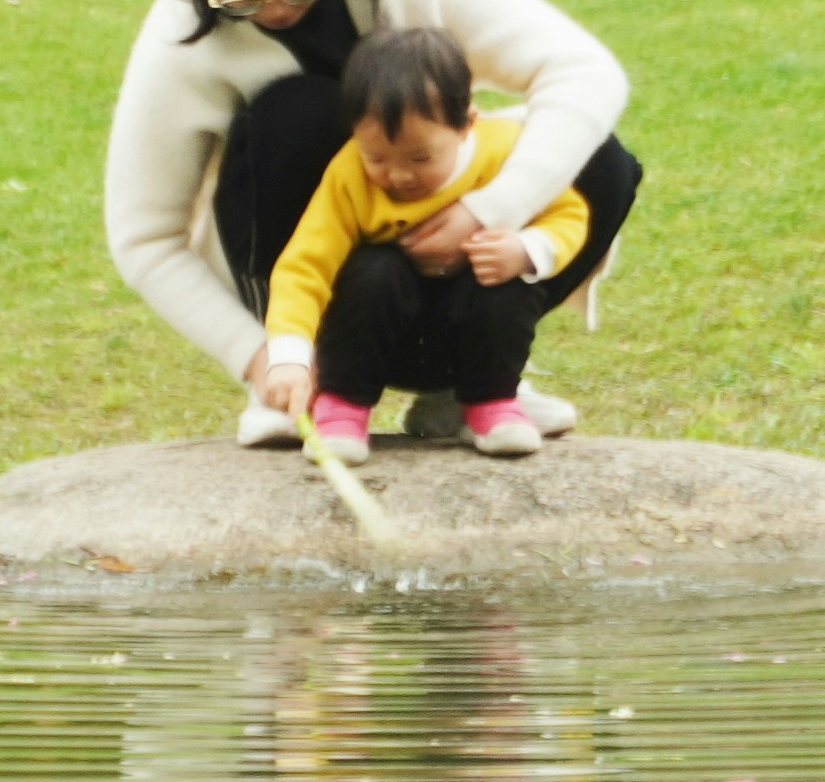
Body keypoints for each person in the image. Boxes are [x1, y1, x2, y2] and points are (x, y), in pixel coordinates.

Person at [102, 0, 645, 452]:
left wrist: (487, 211)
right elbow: (144, 238)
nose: (275, 8)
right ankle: (319, 382)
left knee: (596, 161)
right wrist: (262, 356)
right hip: (311, 293)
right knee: (293, 113)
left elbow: (587, 73)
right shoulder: (179, 36)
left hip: (462, 275)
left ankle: (474, 381)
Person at [255, 27, 600, 461]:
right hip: (385, 333)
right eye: (376, 157)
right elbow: (305, 266)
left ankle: (489, 403)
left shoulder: (507, 152)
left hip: (469, 325)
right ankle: (342, 408)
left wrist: (527, 249)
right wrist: (289, 355)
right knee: (373, 270)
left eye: (421, 158)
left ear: (466, 125)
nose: (397, 176)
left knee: (505, 282)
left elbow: (569, 215)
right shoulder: (348, 177)